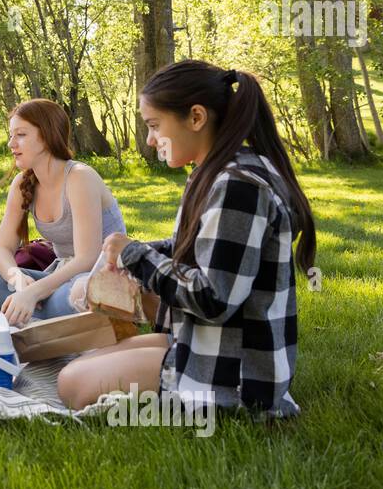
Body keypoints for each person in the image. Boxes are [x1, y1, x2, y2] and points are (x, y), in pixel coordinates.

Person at [56, 60, 315, 419]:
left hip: (235, 377)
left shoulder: (238, 186)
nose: (149, 139)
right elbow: (198, 247)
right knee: (82, 363)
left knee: (72, 384)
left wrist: (135, 255)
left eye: (154, 125)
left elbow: (214, 298)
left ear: (196, 117)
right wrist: (138, 251)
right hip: (205, 344)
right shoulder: (216, 173)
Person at [0, 99, 126, 326]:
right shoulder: (23, 183)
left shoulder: (80, 177)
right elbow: (2, 249)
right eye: (10, 135)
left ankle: (30, 308)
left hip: (99, 277)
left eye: (20, 135)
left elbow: (88, 258)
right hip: (60, 277)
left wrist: (33, 294)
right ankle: (41, 311)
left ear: (47, 135)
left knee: (83, 292)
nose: (11, 144)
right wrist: (18, 280)